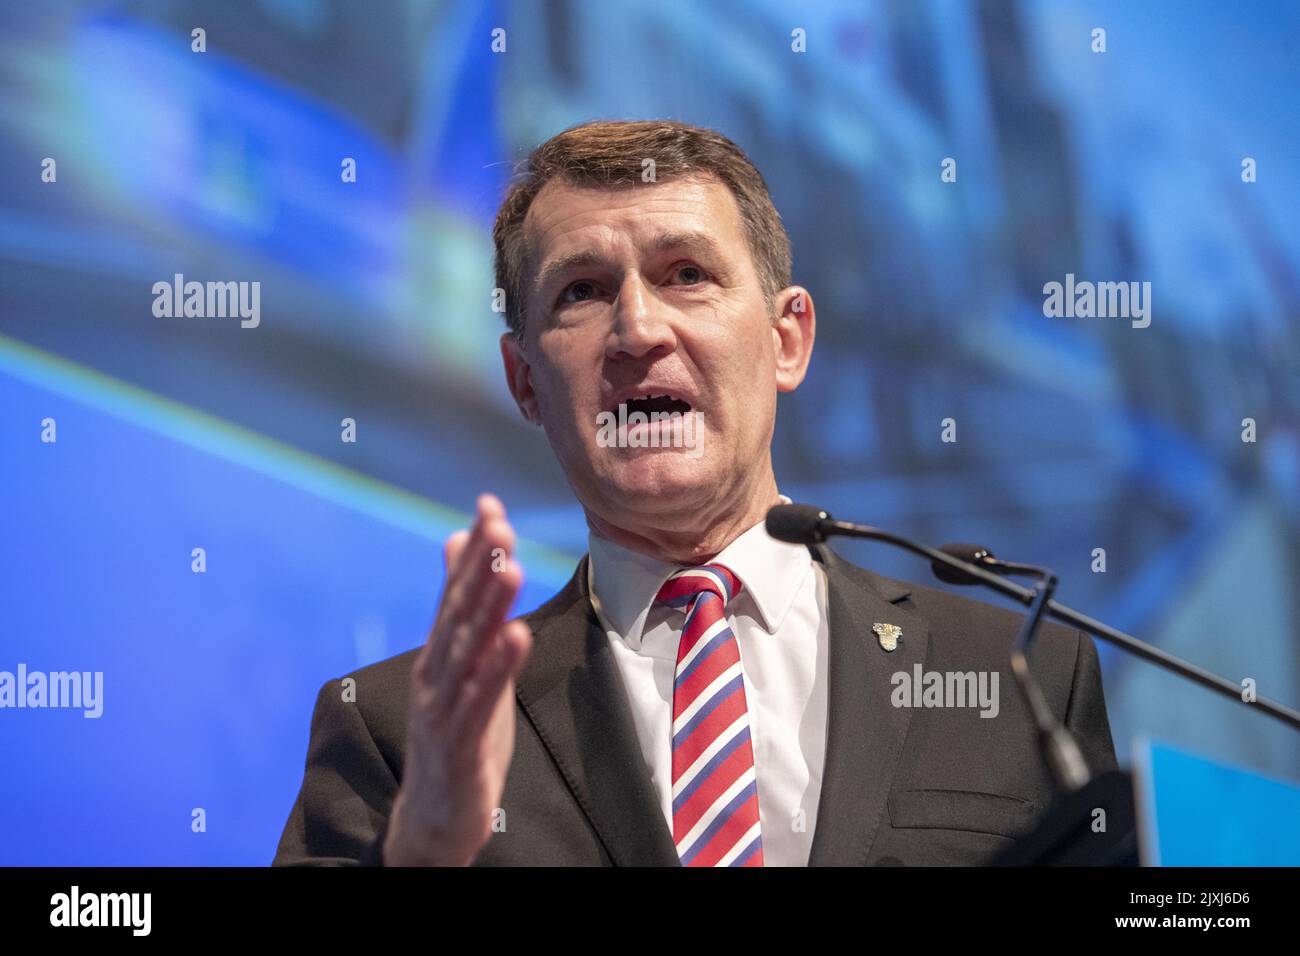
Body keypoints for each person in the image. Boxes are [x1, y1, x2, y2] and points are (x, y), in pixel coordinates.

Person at [273, 119, 1116, 867]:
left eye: (686, 275)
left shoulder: (1021, 676)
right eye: (582, 291)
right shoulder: (391, 735)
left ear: (788, 340)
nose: (638, 328)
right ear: (524, 381)